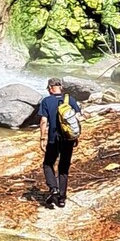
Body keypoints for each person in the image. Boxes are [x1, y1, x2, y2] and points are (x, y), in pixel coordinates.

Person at [38, 78, 80, 208]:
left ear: (50, 88)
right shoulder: (70, 100)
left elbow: (44, 121)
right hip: (68, 138)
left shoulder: (46, 101)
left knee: (48, 164)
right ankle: (61, 199)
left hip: (53, 138)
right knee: (64, 168)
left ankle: (53, 188)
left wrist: (42, 138)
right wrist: (75, 136)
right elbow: (77, 118)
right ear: (60, 87)